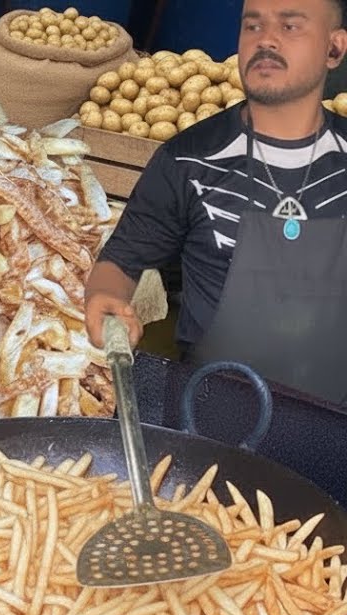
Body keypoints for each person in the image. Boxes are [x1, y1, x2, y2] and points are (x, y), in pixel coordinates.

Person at [84, 0, 347, 404]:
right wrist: (105, 295)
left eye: (290, 27)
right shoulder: (188, 159)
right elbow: (121, 260)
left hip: (336, 422)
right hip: (208, 411)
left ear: (334, 49)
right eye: (252, 26)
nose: (266, 40)